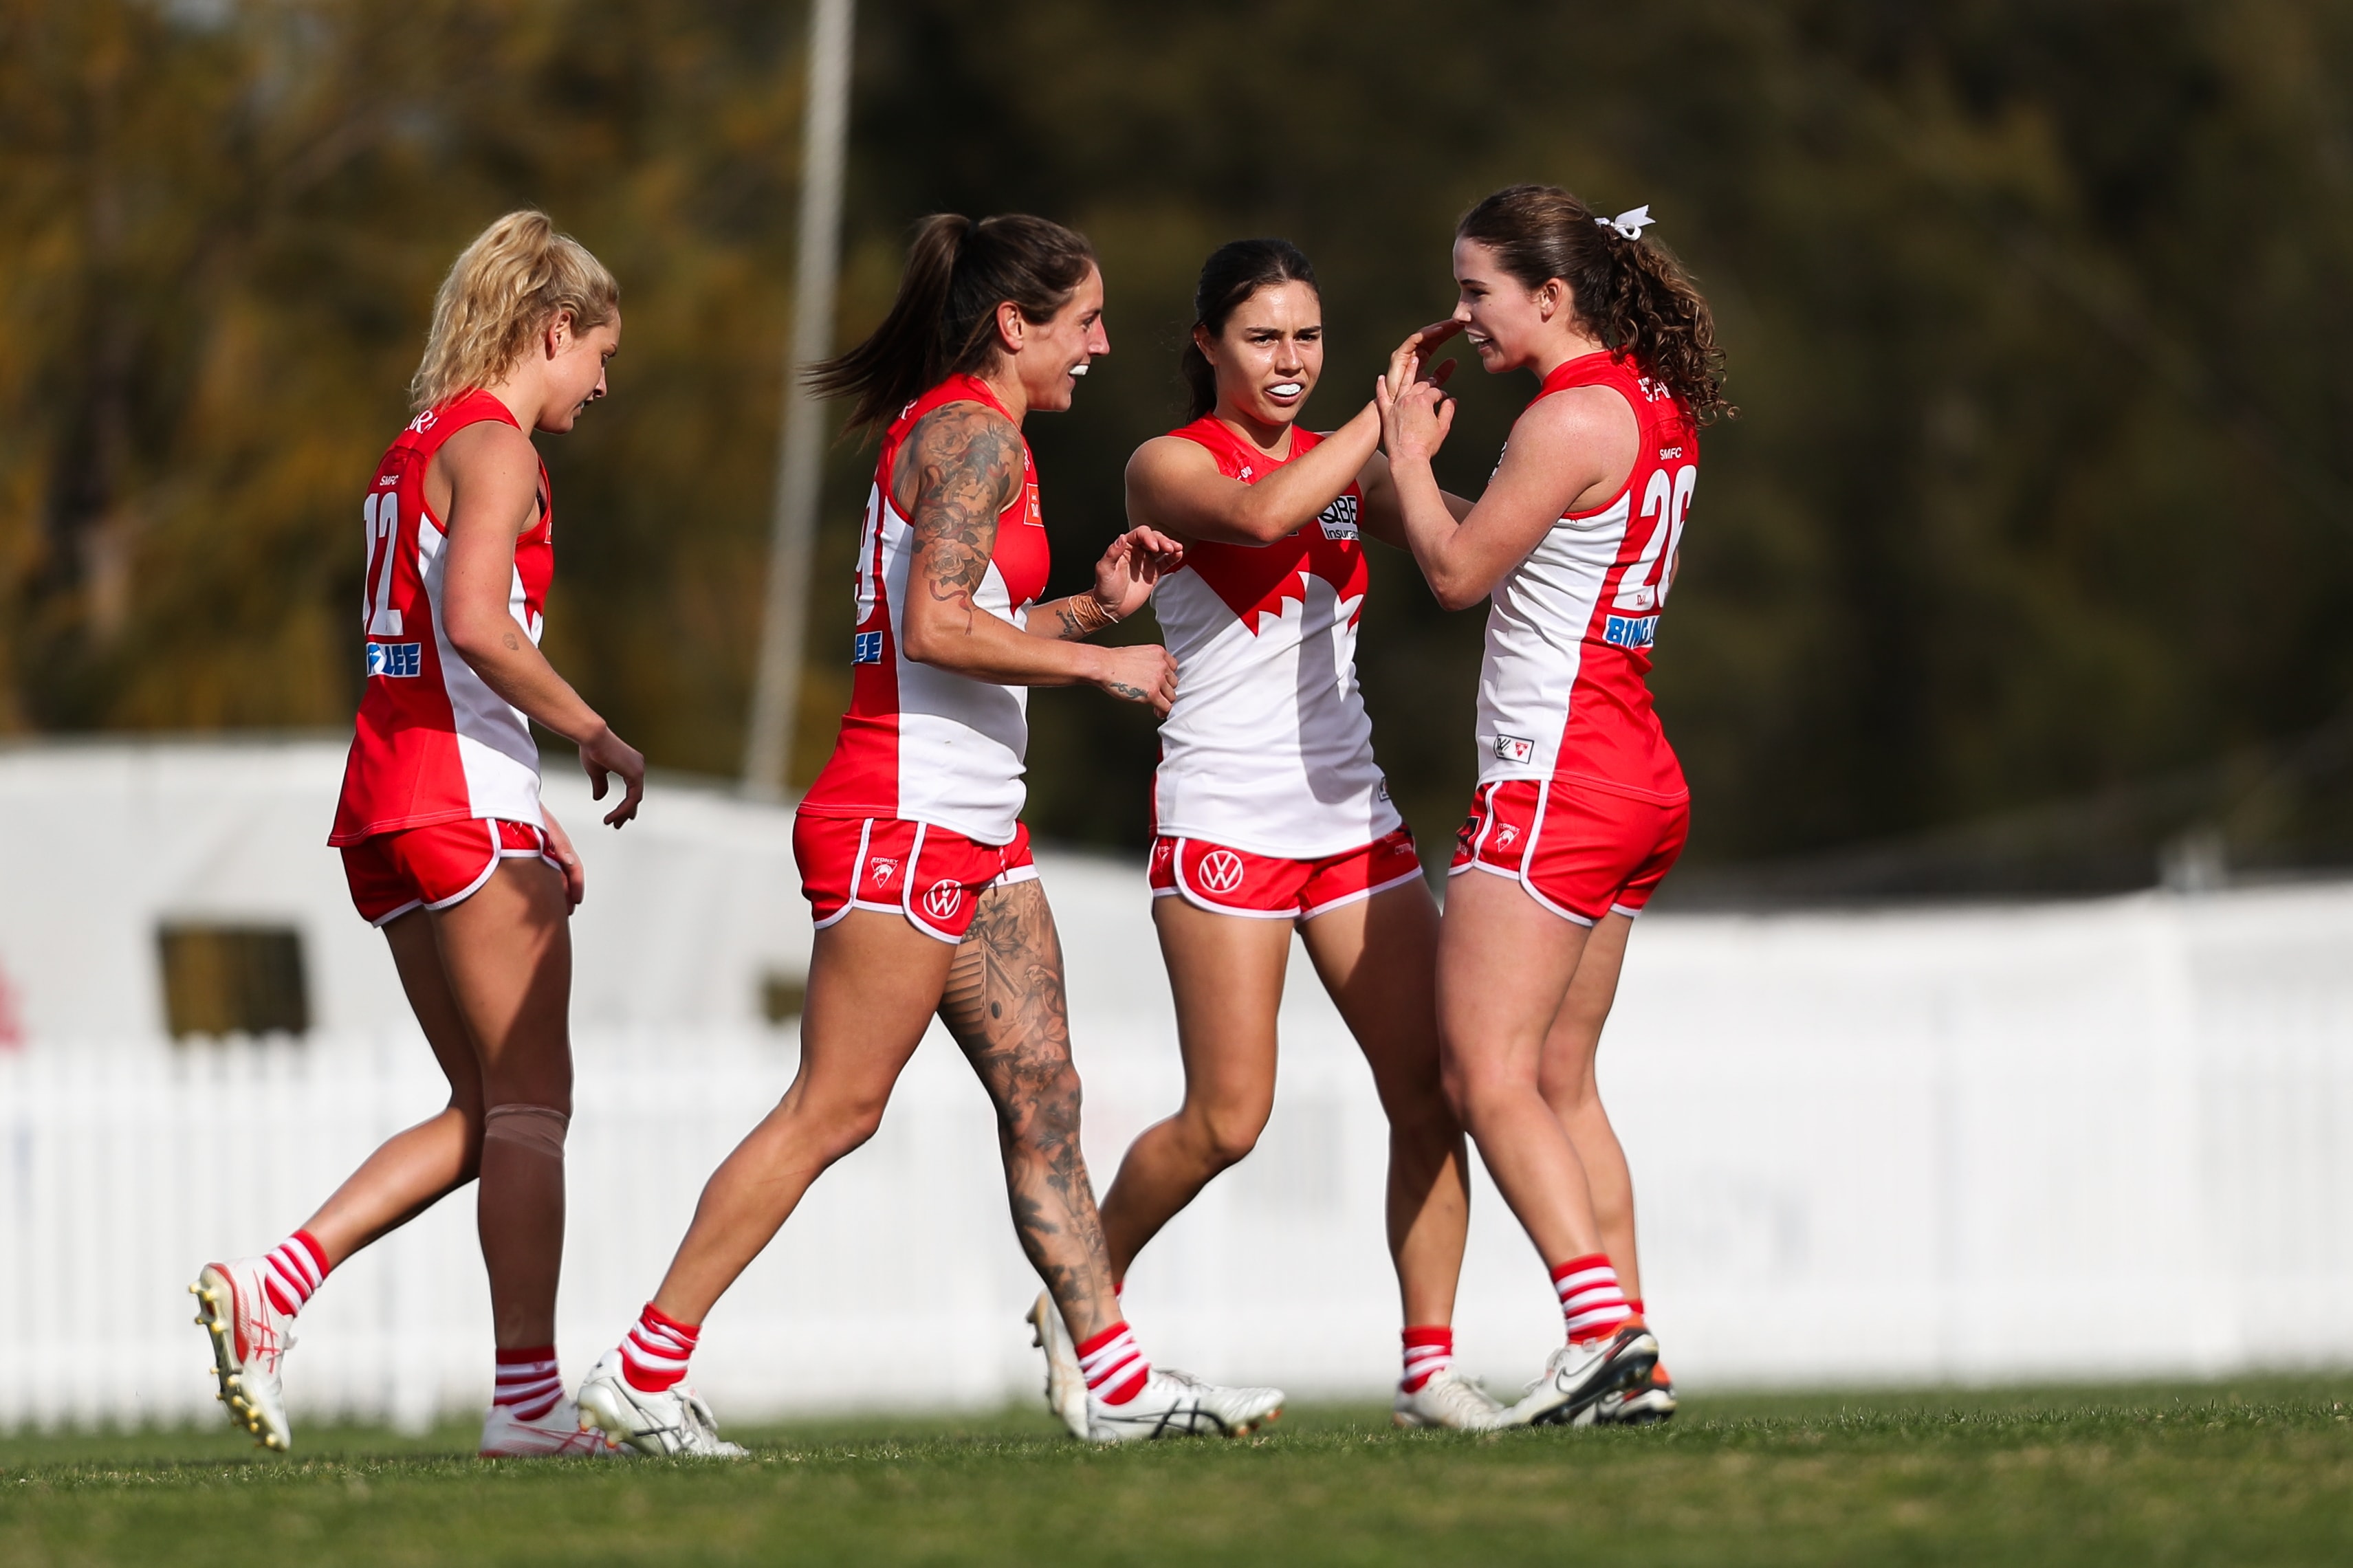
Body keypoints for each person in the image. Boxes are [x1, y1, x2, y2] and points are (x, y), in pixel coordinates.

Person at [573, 213, 1287, 1455]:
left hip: (968, 824)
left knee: (1046, 1093)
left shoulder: (977, 434)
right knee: (835, 1106)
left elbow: (965, 624)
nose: (1102, 345)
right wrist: (1104, 664)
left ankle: (1109, 1376)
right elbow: (937, 628)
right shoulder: (971, 435)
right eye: (1084, 323)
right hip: (899, 818)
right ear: (1015, 326)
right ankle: (644, 1368)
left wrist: (1082, 604)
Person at [190, 210, 645, 1458]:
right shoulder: (497, 444)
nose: (603, 380)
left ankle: (270, 1285)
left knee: (482, 1105)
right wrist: (594, 734)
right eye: (597, 351)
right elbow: (484, 625)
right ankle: (530, 1405)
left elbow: (435, 654)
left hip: (391, 799)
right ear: (551, 330)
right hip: (453, 801)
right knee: (533, 1109)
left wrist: (526, 793)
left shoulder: (411, 446)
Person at [1063, 239, 1494, 1432]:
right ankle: (1080, 1293)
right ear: (1206, 346)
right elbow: (1261, 511)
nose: (1291, 359)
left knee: (1432, 1091)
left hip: (1351, 817)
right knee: (1228, 1119)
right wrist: (1378, 422)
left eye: (1308, 334)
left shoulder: (1346, 463)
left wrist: (1582, 449)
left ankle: (1427, 1372)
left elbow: (1478, 538)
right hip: (1223, 815)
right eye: (1263, 336)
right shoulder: (1169, 464)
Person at [1374, 186, 1731, 1426]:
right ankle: (1631, 1358)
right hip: (1632, 770)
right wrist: (1403, 489)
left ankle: (1596, 1331)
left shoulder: (1566, 413)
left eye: (1477, 290)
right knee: (1562, 1082)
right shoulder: (1644, 403)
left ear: (1552, 294)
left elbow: (1457, 573)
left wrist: (1407, 463)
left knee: (1482, 1074)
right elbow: (1530, 545)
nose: (1461, 313)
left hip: (1556, 773)